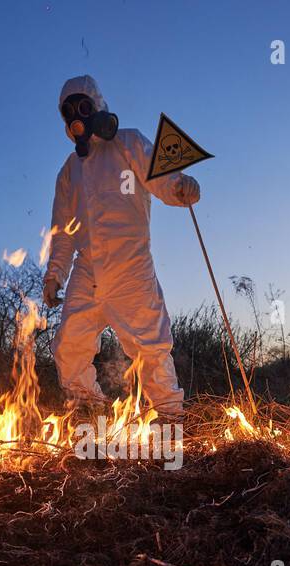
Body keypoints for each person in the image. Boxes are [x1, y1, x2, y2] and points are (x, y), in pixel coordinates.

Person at [42, 75, 200, 417]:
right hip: (87, 271)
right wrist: (55, 275)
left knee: (151, 349)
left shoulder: (128, 143)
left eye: (83, 107)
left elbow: (160, 177)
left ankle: (169, 421)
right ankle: (91, 415)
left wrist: (179, 186)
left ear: (97, 105)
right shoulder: (69, 171)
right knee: (69, 346)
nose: (77, 117)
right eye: (68, 112)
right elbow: (64, 231)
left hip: (131, 267)